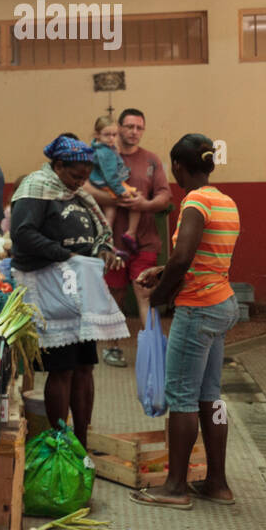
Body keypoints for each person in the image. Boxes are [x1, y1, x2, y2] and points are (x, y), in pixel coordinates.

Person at [132, 135, 241, 508]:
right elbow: (204, 256)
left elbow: (183, 259)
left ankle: (175, 487)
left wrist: (158, 298)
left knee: (182, 398)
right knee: (211, 396)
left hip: (197, 309)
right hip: (222, 303)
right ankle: (217, 483)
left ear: (178, 166)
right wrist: (165, 270)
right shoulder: (225, 201)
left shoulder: (194, 201)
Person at [10, 136, 129, 450]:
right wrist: (66, 255)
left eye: (85, 176)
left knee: (85, 367)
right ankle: (61, 442)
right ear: (58, 165)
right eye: (75, 174)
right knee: (61, 368)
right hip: (48, 287)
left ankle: (82, 440)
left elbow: (102, 229)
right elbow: (23, 235)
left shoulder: (79, 194)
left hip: (80, 289)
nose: (80, 182)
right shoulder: (35, 188)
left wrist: (102, 249)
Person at [83, 109, 171, 366]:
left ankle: (155, 349)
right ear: (118, 128)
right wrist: (115, 199)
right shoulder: (100, 154)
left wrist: (145, 204)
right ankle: (113, 346)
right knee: (115, 295)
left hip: (144, 241)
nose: (134, 132)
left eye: (139, 127)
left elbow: (165, 195)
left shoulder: (152, 160)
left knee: (145, 293)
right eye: (129, 126)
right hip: (112, 245)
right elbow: (84, 187)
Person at [89, 116, 141, 252]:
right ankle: (131, 233)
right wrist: (119, 191)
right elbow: (110, 175)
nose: (111, 138)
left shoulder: (100, 147)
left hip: (101, 181)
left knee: (110, 211)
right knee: (135, 200)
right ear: (97, 135)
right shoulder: (106, 153)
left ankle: (106, 241)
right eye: (107, 135)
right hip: (108, 183)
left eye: (114, 134)